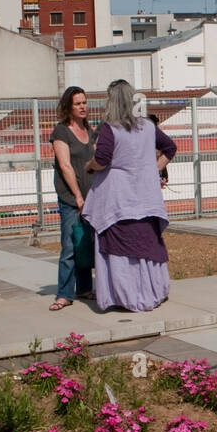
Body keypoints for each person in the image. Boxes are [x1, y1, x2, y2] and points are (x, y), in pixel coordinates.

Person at [82, 80, 177, 312]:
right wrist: (151, 169)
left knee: (118, 247)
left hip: (117, 200)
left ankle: (123, 296)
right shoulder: (147, 126)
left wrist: (89, 166)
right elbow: (170, 148)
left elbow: (102, 159)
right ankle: (152, 291)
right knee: (146, 243)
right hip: (145, 199)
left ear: (111, 100)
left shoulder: (110, 128)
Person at [49, 86, 96, 308]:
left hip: (91, 197)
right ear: (68, 106)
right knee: (69, 246)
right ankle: (65, 293)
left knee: (85, 243)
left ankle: (85, 288)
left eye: (84, 102)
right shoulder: (61, 132)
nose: (83, 107)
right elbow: (65, 165)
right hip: (71, 198)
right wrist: (77, 195)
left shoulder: (90, 130)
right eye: (78, 103)